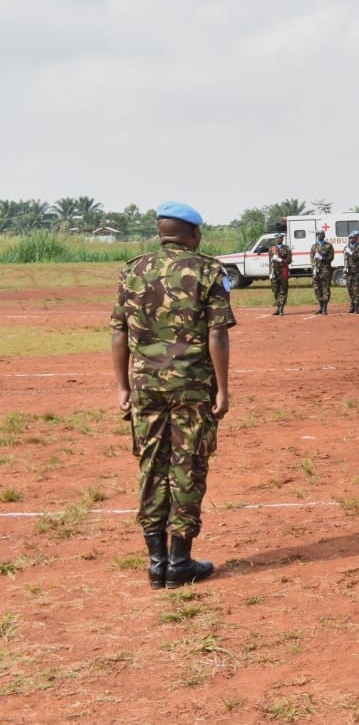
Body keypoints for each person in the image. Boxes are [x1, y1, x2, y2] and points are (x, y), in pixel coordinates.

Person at [110, 202, 235, 588]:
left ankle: (155, 561)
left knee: (151, 465)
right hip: (192, 388)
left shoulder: (133, 270)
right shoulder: (209, 270)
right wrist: (223, 389)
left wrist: (122, 386)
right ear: (193, 234)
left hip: (145, 388)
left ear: (162, 232)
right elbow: (217, 333)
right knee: (187, 465)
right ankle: (179, 562)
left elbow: (119, 332)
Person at [311, 229, 334, 314]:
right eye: (318, 235)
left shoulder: (328, 246)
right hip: (316, 270)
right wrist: (314, 267)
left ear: (324, 236)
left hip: (325, 270)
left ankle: (325, 308)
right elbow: (311, 258)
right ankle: (320, 306)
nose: (319, 236)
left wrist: (322, 258)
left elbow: (331, 257)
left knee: (325, 289)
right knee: (317, 289)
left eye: (321, 234)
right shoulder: (314, 246)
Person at [267, 233, 291, 316]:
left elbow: (289, 260)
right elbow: (270, 262)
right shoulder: (272, 249)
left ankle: (281, 309)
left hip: (283, 271)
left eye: (280, 238)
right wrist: (270, 272)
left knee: (283, 290)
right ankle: (278, 307)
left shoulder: (286, 248)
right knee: (275, 290)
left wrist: (281, 260)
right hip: (274, 272)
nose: (278, 240)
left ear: (282, 239)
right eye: (277, 238)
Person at [344, 230, 359, 313]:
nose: (351, 239)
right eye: (350, 238)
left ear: (356, 238)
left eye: (352, 238)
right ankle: (352, 305)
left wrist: (352, 253)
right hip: (349, 270)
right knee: (349, 288)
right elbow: (345, 258)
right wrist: (345, 266)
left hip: (357, 270)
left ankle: (357, 307)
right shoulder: (347, 247)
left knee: (356, 288)